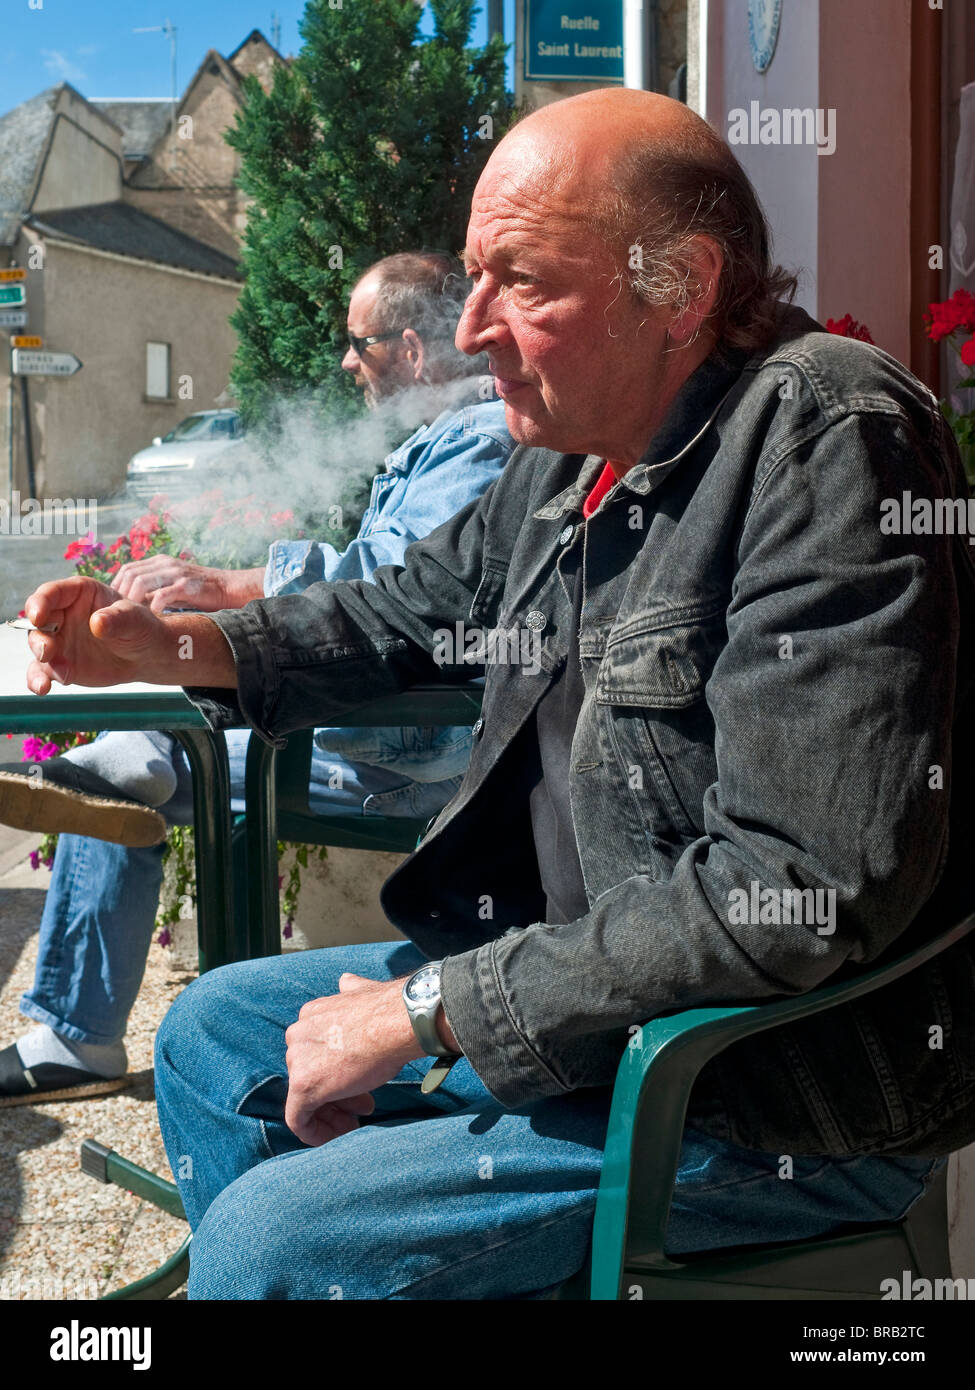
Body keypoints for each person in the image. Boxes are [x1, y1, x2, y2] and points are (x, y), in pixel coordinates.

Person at [19, 88, 975, 1299]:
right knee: (215, 1036)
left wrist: (430, 1006)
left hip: (759, 1088)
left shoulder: (826, 432)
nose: (471, 330)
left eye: (520, 280)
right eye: (474, 278)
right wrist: (164, 647)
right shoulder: (568, 461)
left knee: (277, 1240)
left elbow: (798, 883)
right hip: (590, 1013)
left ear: (678, 285)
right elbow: (398, 610)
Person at [0, 250, 513, 1106]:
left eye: (360, 342)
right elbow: (378, 581)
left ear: (413, 351)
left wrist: (213, 609)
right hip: (382, 734)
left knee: (143, 759)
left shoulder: (477, 441)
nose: (348, 362)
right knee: (124, 762)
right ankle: (135, 770)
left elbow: (387, 602)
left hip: (407, 757)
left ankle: (77, 1031)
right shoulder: (453, 440)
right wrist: (218, 591)